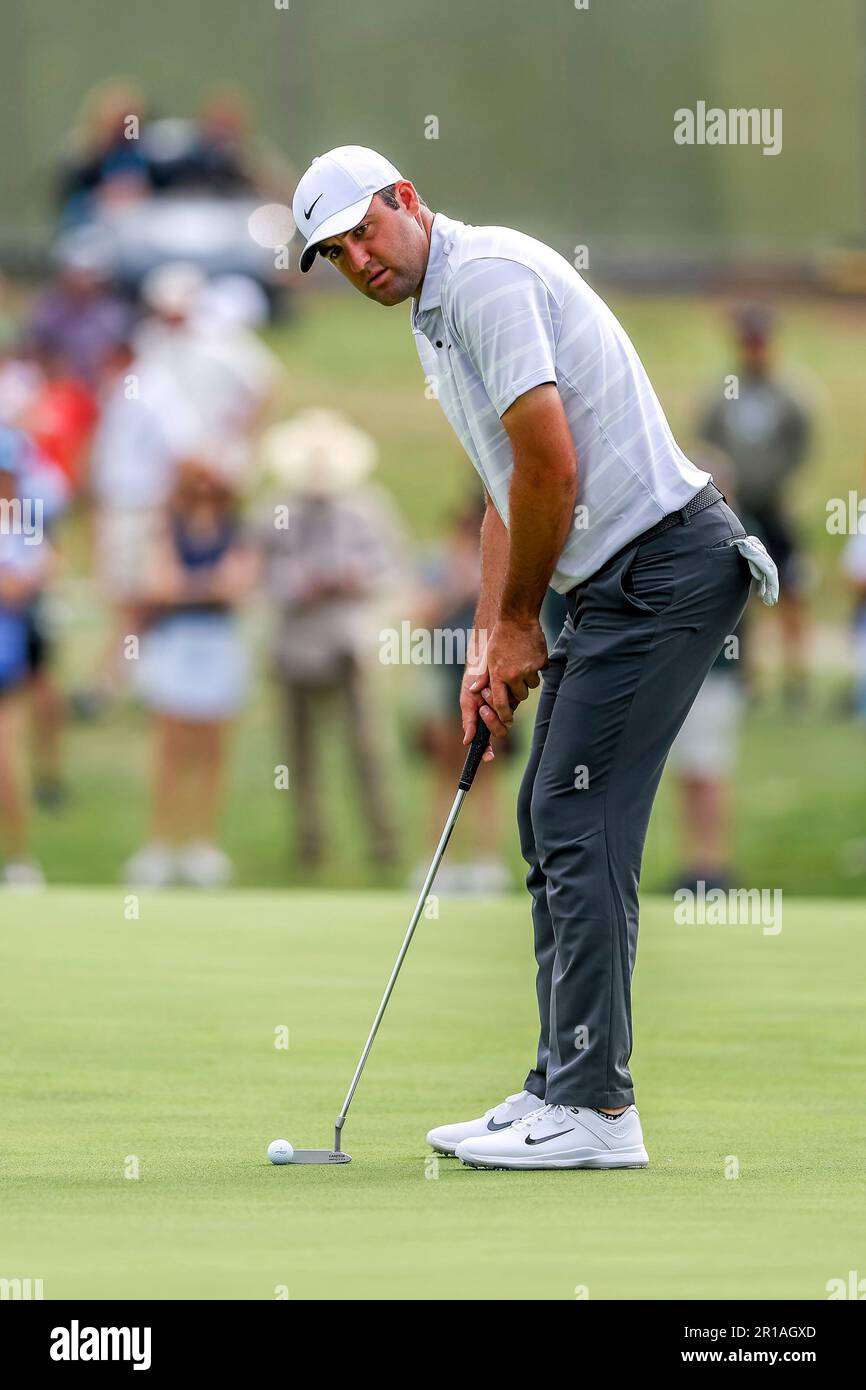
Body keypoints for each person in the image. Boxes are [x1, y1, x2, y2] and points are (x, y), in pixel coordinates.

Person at [291, 145, 778, 1170]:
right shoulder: (436, 317)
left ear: (407, 202)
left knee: (574, 810)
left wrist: (523, 627)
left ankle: (597, 1109)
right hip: (614, 582)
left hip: (667, 566)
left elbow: (554, 462)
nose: (358, 260)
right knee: (546, 809)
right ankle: (562, 1080)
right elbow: (509, 493)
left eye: (363, 233)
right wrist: (488, 636)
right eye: (334, 255)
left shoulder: (485, 280)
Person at [256, 409, 404, 869]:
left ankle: (383, 841)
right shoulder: (272, 512)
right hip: (295, 645)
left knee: (367, 750)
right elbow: (259, 576)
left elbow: (392, 567)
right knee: (299, 753)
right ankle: (310, 843)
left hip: (348, 644)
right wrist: (302, 585)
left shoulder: (369, 507)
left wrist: (354, 579)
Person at [124, 455, 258, 888]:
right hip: (177, 643)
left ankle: (202, 843)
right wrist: (206, 587)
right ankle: (161, 842)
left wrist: (190, 586)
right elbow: (160, 585)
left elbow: (237, 587)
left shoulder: (237, 531)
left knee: (212, 747)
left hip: (217, 643)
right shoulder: (167, 529)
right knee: (172, 746)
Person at [697, 305, 814, 705]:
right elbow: (705, 443)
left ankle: (796, 676)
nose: (754, 351)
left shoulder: (790, 393)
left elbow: (803, 444)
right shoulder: (722, 392)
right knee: (739, 594)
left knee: (793, 589)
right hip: (734, 508)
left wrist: (783, 482)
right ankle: (745, 675)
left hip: (776, 506)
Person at [411, 493, 514, 894]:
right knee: (444, 767)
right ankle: (440, 861)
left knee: (485, 766)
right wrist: (457, 586)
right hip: (443, 676)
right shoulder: (439, 567)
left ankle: (485, 861)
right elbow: (421, 614)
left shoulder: (501, 570)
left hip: (487, 678)